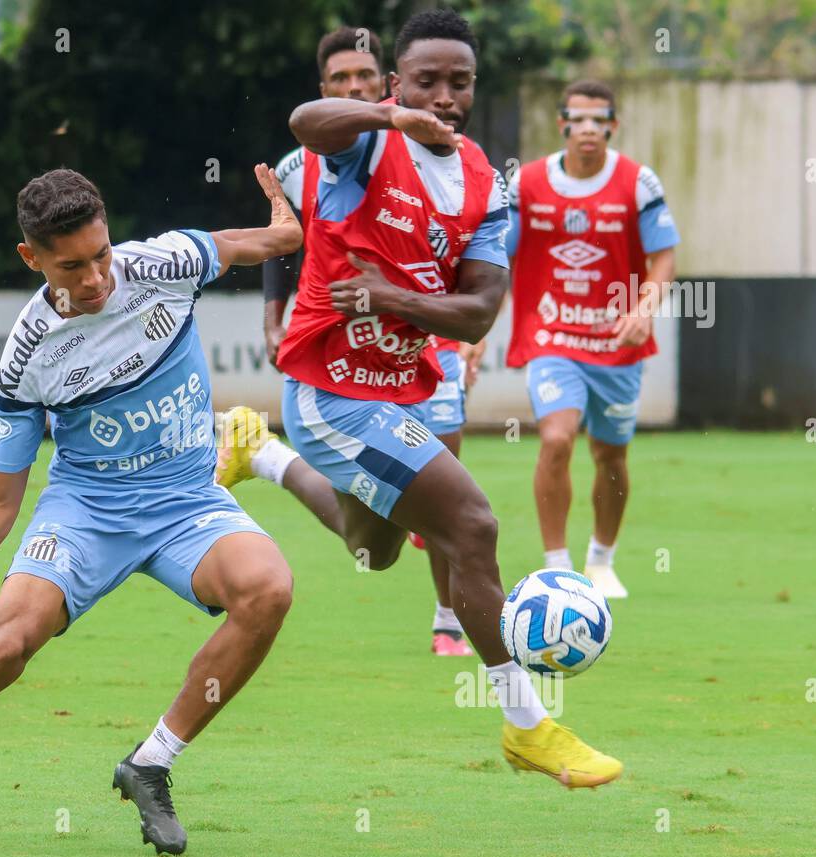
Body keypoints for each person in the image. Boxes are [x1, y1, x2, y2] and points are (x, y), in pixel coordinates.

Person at [0, 164, 302, 857]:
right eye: (72, 266)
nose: (97, 278)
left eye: (101, 254)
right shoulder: (26, 355)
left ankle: (152, 762)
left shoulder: (165, 261)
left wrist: (287, 225)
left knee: (268, 588)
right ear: (32, 258)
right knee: (6, 644)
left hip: (185, 502)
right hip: (87, 512)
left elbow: (260, 242)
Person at [222, 9, 621, 788]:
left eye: (459, 82)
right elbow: (306, 123)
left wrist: (387, 297)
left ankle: (258, 454)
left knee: (369, 550)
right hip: (330, 393)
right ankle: (528, 725)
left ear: (475, 89)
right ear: (397, 82)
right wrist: (386, 114)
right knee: (471, 526)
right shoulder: (363, 147)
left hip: (400, 391)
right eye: (426, 80)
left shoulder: (484, 183)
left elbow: (477, 311)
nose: (444, 95)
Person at [223, 23, 475, 656]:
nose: (355, 87)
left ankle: (447, 618)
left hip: (426, 342)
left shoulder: (451, 154)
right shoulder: (310, 156)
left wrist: (470, 328)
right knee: (377, 546)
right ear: (327, 88)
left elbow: (473, 251)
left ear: (383, 79)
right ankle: (269, 456)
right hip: (343, 348)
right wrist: (274, 313)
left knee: (448, 489)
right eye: (342, 80)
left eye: (364, 76)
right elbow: (289, 243)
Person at [505, 79, 680, 598]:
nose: (586, 129)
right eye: (576, 119)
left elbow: (664, 256)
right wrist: (475, 331)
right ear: (561, 124)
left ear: (612, 125)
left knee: (610, 454)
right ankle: (557, 568)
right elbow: (498, 258)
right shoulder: (527, 183)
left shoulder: (637, 182)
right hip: (552, 335)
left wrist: (645, 308)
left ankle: (601, 560)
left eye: (597, 119)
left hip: (616, 345)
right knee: (557, 438)